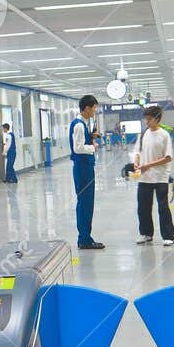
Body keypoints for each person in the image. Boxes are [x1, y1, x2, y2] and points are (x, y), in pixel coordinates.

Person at [132, 105, 174, 246]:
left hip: (160, 177)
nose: (147, 122)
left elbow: (168, 157)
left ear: (157, 119)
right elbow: (137, 152)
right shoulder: (143, 134)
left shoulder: (164, 135)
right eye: (146, 119)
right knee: (143, 207)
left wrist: (148, 165)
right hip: (144, 178)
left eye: (149, 119)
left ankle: (168, 236)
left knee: (163, 207)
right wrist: (137, 163)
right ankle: (146, 233)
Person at [69, 95, 103, 250]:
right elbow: (78, 148)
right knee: (85, 203)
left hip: (86, 167)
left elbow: (81, 142)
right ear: (87, 108)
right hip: (83, 168)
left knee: (87, 203)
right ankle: (84, 239)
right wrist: (93, 147)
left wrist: (90, 137)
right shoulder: (79, 125)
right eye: (94, 107)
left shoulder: (83, 125)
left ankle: (85, 237)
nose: (95, 110)